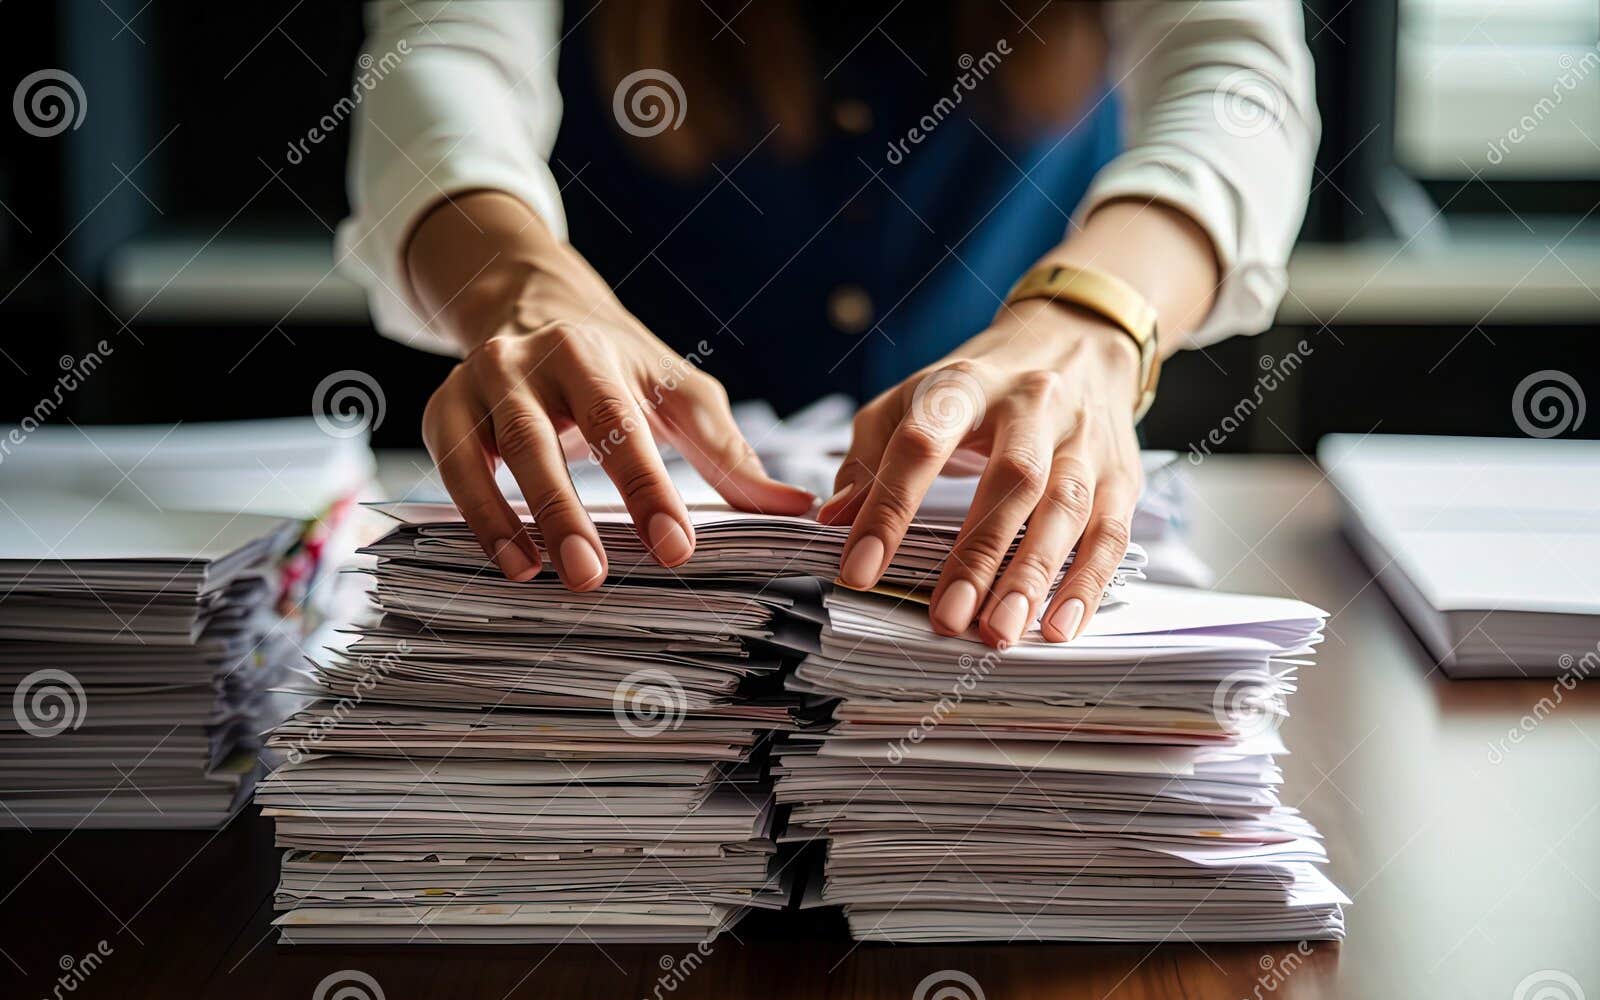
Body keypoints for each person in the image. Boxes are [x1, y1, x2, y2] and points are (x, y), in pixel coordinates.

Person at [338, 0, 1317, 648]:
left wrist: (1093, 321)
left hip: (1000, 455)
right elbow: (442, 51)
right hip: (606, 488)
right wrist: (522, 286)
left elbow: (1234, 73)